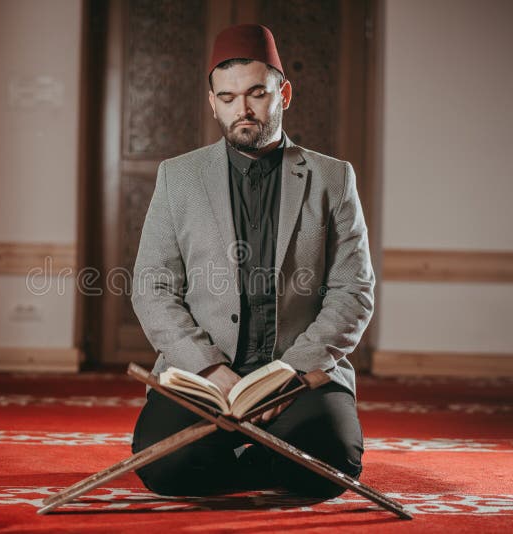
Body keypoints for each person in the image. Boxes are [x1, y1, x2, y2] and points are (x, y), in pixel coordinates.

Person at [130, 24, 375, 498]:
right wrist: (208, 368)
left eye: (257, 94)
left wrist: (292, 372)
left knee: (331, 464)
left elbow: (353, 292)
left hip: (299, 375)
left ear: (283, 93)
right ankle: (261, 456)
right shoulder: (177, 177)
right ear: (212, 102)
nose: (241, 110)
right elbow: (152, 288)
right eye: (227, 97)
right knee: (164, 467)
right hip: (203, 377)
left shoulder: (333, 178)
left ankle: (239, 451)